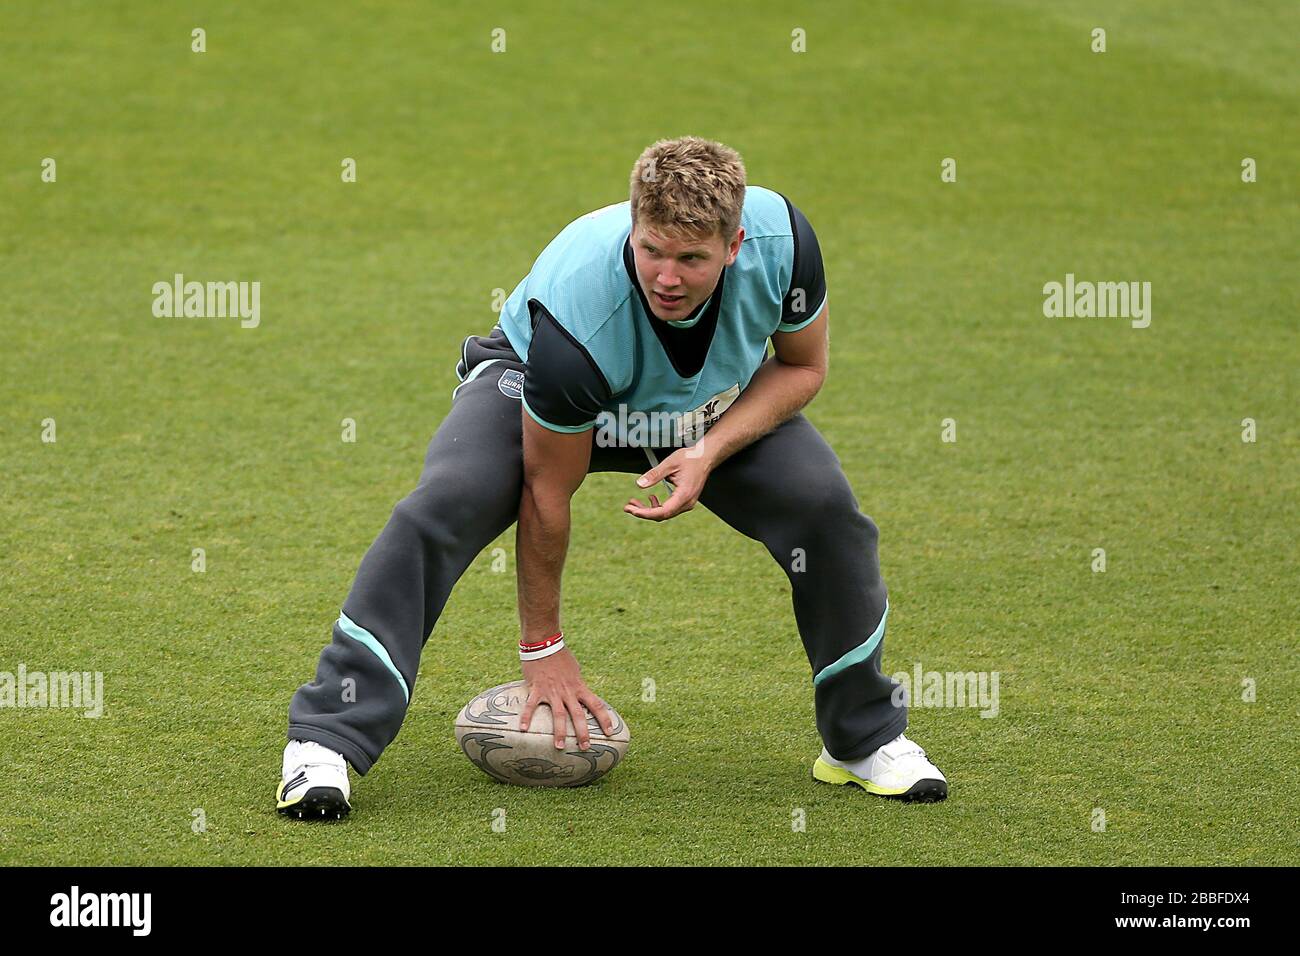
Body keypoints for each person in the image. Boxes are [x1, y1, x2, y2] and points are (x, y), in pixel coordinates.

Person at [276, 136, 947, 819]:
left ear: (736, 244)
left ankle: (863, 739)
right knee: (446, 503)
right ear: (633, 226)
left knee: (825, 510)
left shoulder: (787, 245)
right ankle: (325, 739)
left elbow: (803, 367)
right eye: (652, 250)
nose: (667, 277)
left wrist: (709, 451)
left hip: (704, 406)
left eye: (692, 258)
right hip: (543, 380)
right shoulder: (579, 314)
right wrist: (544, 647)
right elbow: (547, 487)